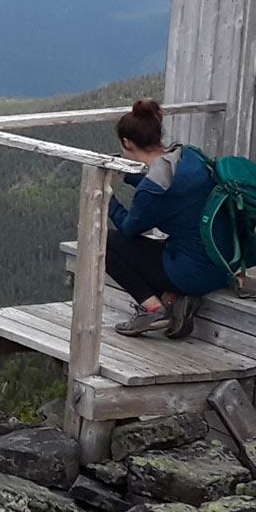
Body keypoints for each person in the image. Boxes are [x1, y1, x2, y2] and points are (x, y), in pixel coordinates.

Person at [105, 98, 231, 337]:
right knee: (160, 247)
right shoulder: (188, 157)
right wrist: (129, 176)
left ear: (127, 142)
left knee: (104, 243)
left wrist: (107, 200)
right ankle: (174, 299)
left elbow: (129, 228)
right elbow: (169, 197)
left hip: (194, 274)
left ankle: (154, 310)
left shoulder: (154, 189)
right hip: (224, 264)